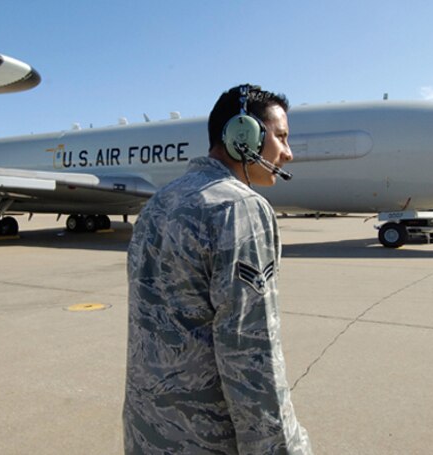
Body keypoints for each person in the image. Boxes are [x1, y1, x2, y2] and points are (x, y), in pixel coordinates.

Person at [123, 84, 312, 454]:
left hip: (147, 433)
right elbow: (250, 352)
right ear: (245, 136)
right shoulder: (239, 208)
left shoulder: (160, 203)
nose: (288, 154)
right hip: (207, 439)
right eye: (281, 137)